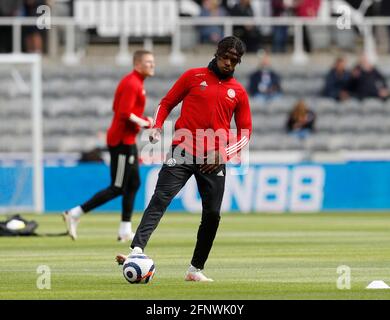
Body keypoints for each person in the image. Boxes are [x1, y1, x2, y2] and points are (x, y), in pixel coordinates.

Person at [116, 36, 252, 282]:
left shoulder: (239, 93)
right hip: (182, 150)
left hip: (213, 158)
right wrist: (157, 125)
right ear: (217, 53)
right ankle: (136, 251)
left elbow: (245, 132)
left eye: (235, 60)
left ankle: (195, 270)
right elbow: (167, 102)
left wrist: (224, 154)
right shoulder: (193, 77)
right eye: (226, 57)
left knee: (212, 215)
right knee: (160, 198)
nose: (229, 63)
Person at [63, 50, 155, 242]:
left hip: (127, 140)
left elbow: (116, 108)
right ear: (137, 64)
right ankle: (75, 213)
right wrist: (146, 122)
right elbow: (123, 112)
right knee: (118, 186)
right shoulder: (132, 83)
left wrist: (140, 123)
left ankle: (124, 230)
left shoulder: (135, 82)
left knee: (134, 183)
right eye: (148, 62)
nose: (152, 65)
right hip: (121, 142)